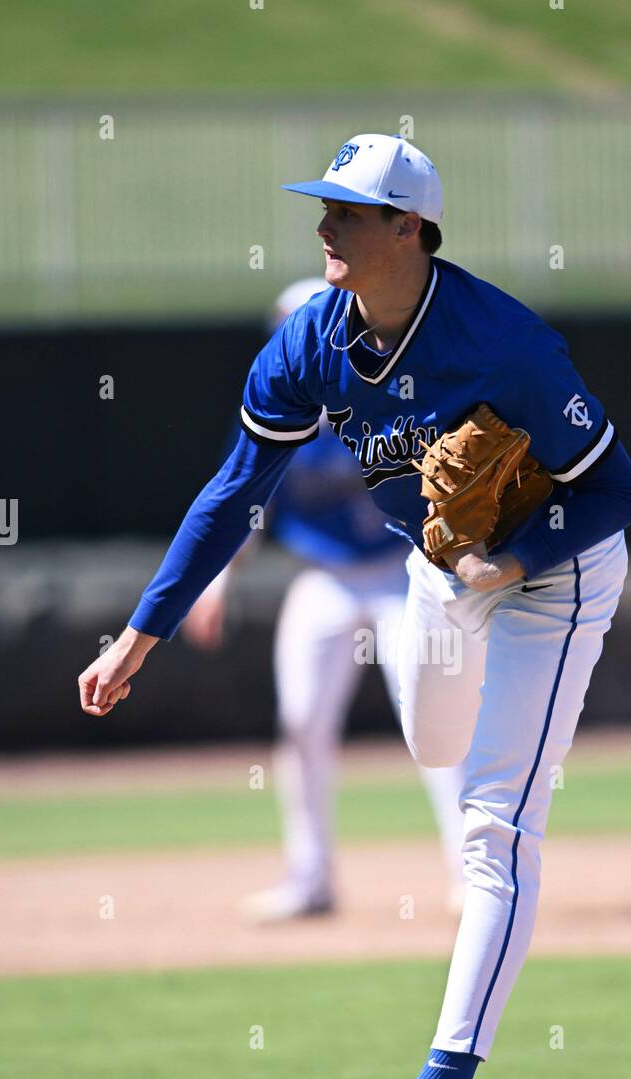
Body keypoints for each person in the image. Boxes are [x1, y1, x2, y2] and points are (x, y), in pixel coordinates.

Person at [78, 133, 631, 1079]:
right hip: (433, 568)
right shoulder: (307, 344)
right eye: (323, 205)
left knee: (493, 825)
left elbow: (616, 490)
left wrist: (514, 559)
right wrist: (138, 635)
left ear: (408, 227)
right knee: (433, 747)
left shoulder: (503, 343)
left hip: (553, 578)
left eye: (347, 209)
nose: (323, 224)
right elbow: (233, 493)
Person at [184, 278, 467, 923]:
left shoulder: (395, 391)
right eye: (289, 329)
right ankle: (309, 880)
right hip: (325, 578)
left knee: (432, 721)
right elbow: (244, 503)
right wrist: (219, 580)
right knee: (302, 722)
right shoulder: (273, 406)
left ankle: (470, 874)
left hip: (403, 571)